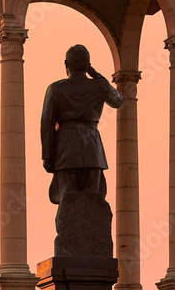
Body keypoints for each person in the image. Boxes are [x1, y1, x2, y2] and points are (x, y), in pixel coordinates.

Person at [40, 44, 123, 205]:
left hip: (65, 152)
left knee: (67, 203)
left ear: (66, 65)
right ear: (88, 66)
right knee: (93, 203)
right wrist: (98, 76)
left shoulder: (56, 88)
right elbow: (118, 101)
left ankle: (70, 229)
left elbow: (46, 124)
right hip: (92, 150)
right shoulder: (99, 86)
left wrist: (47, 156)